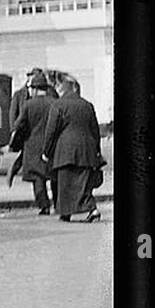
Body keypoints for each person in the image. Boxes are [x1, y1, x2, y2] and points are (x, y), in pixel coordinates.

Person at [39, 75, 104, 222]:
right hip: (87, 151)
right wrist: (97, 151)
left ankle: (66, 213)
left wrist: (46, 151)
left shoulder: (58, 105)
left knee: (65, 184)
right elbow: (95, 131)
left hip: (65, 152)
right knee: (83, 184)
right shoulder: (87, 105)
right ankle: (92, 209)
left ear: (63, 90)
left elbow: (51, 131)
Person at [8, 68, 57, 214]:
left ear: (35, 90)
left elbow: (18, 125)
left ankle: (44, 206)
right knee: (54, 176)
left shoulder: (29, 105)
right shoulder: (55, 103)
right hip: (52, 145)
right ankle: (59, 204)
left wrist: (15, 142)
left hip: (33, 146)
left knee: (38, 178)